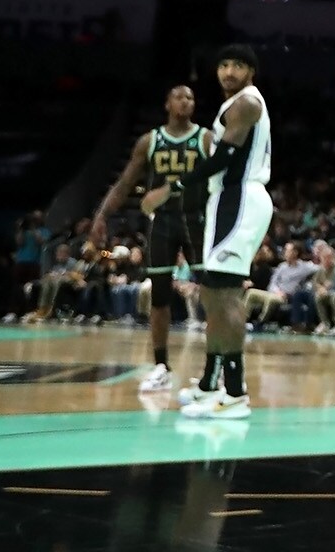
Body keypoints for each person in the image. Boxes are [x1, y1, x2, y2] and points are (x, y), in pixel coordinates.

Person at [142, 46, 274, 421]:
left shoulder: (246, 104)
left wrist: (170, 188)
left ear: (251, 71)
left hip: (241, 197)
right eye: (224, 64)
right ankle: (211, 384)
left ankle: (235, 393)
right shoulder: (233, 104)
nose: (229, 71)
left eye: (238, 65)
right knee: (213, 293)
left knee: (227, 295)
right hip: (225, 200)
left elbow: (223, 158)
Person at [91, 85, 212, 392]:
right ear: (167, 103)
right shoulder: (150, 141)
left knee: (212, 295)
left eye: (191, 97)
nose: (186, 101)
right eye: (180, 96)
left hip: (196, 219)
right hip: (162, 223)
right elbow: (125, 182)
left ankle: (217, 367)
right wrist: (101, 216)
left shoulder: (206, 138)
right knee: (159, 297)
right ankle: (161, 366)